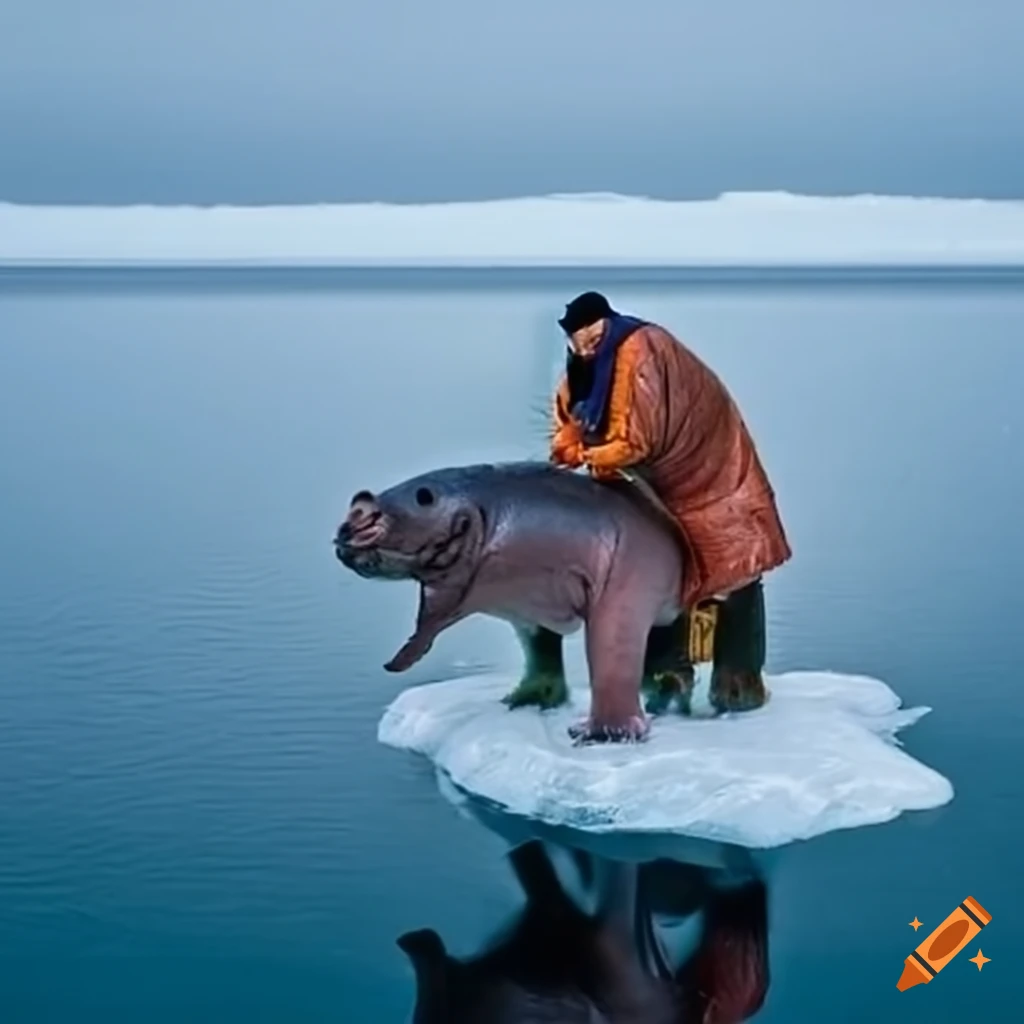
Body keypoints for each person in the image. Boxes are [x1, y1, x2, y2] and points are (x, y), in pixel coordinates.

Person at [548, 290, 791, 715]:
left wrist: (587, 456)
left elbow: (635, 440)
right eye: (577, 343)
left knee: (735, 567)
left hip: (710, 471)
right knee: (657, 571)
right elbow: (569, 414)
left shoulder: (638, 350)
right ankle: (666, 679)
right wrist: (565, 442)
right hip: (658, 483)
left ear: (606, 325)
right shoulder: (587, 365)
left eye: (591, 338)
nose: (585, 348)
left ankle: (738, 686)